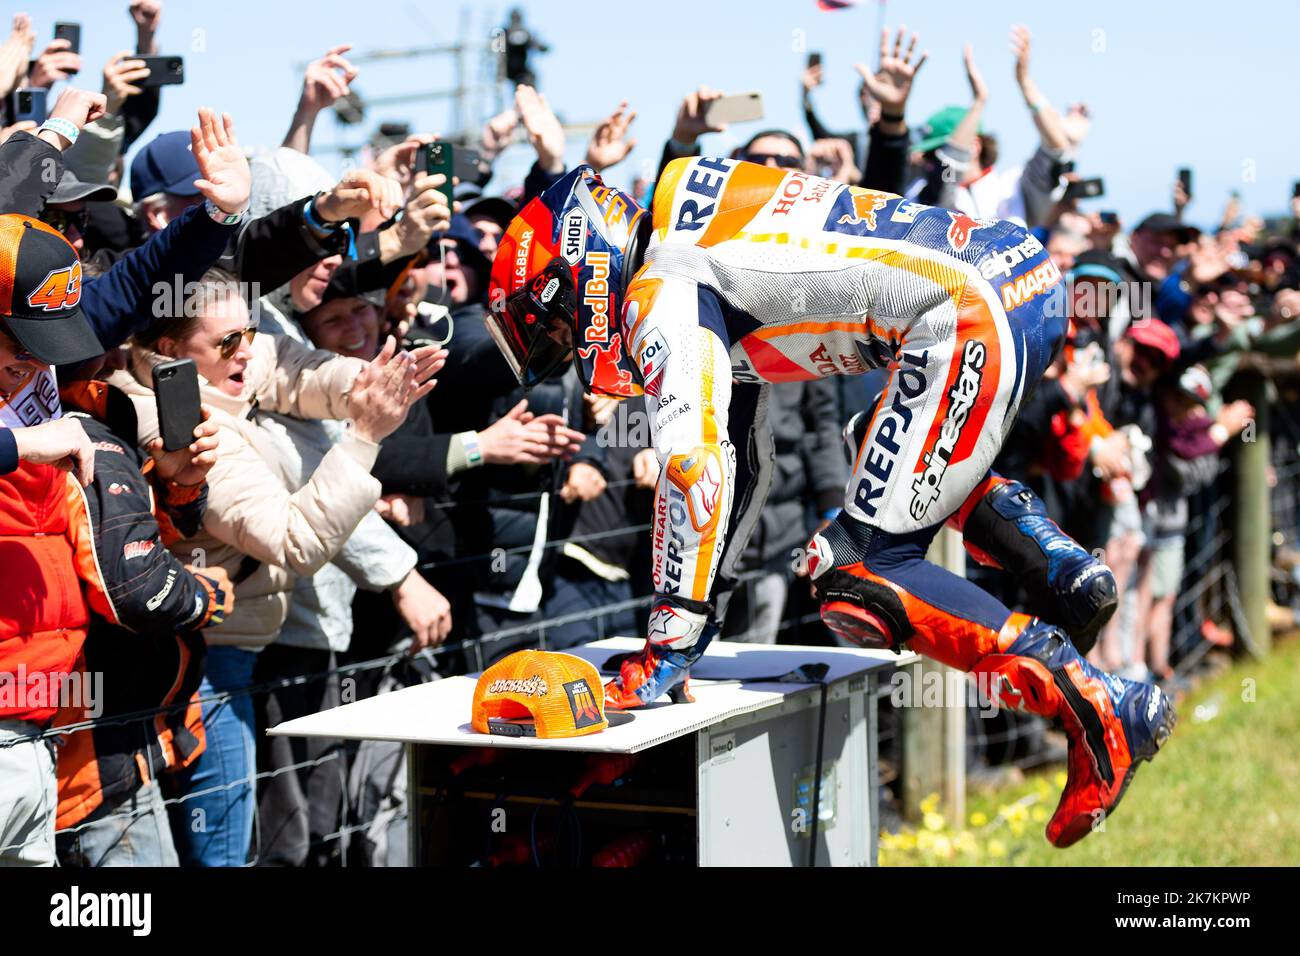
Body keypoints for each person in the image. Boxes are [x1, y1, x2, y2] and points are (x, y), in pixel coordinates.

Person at [485, 148, 1175, 847]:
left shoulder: (660, 292)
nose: (573, 346)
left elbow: (696, 472)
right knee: (876, 447)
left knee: (856, 571)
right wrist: (694, 633)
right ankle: (1054, 563)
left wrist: (667, 645)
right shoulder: (691, 224)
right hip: (1014, 271)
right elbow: (744, 458)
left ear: (579, 271)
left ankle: (1097, 706)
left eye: (562, 325)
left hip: (965, 314)